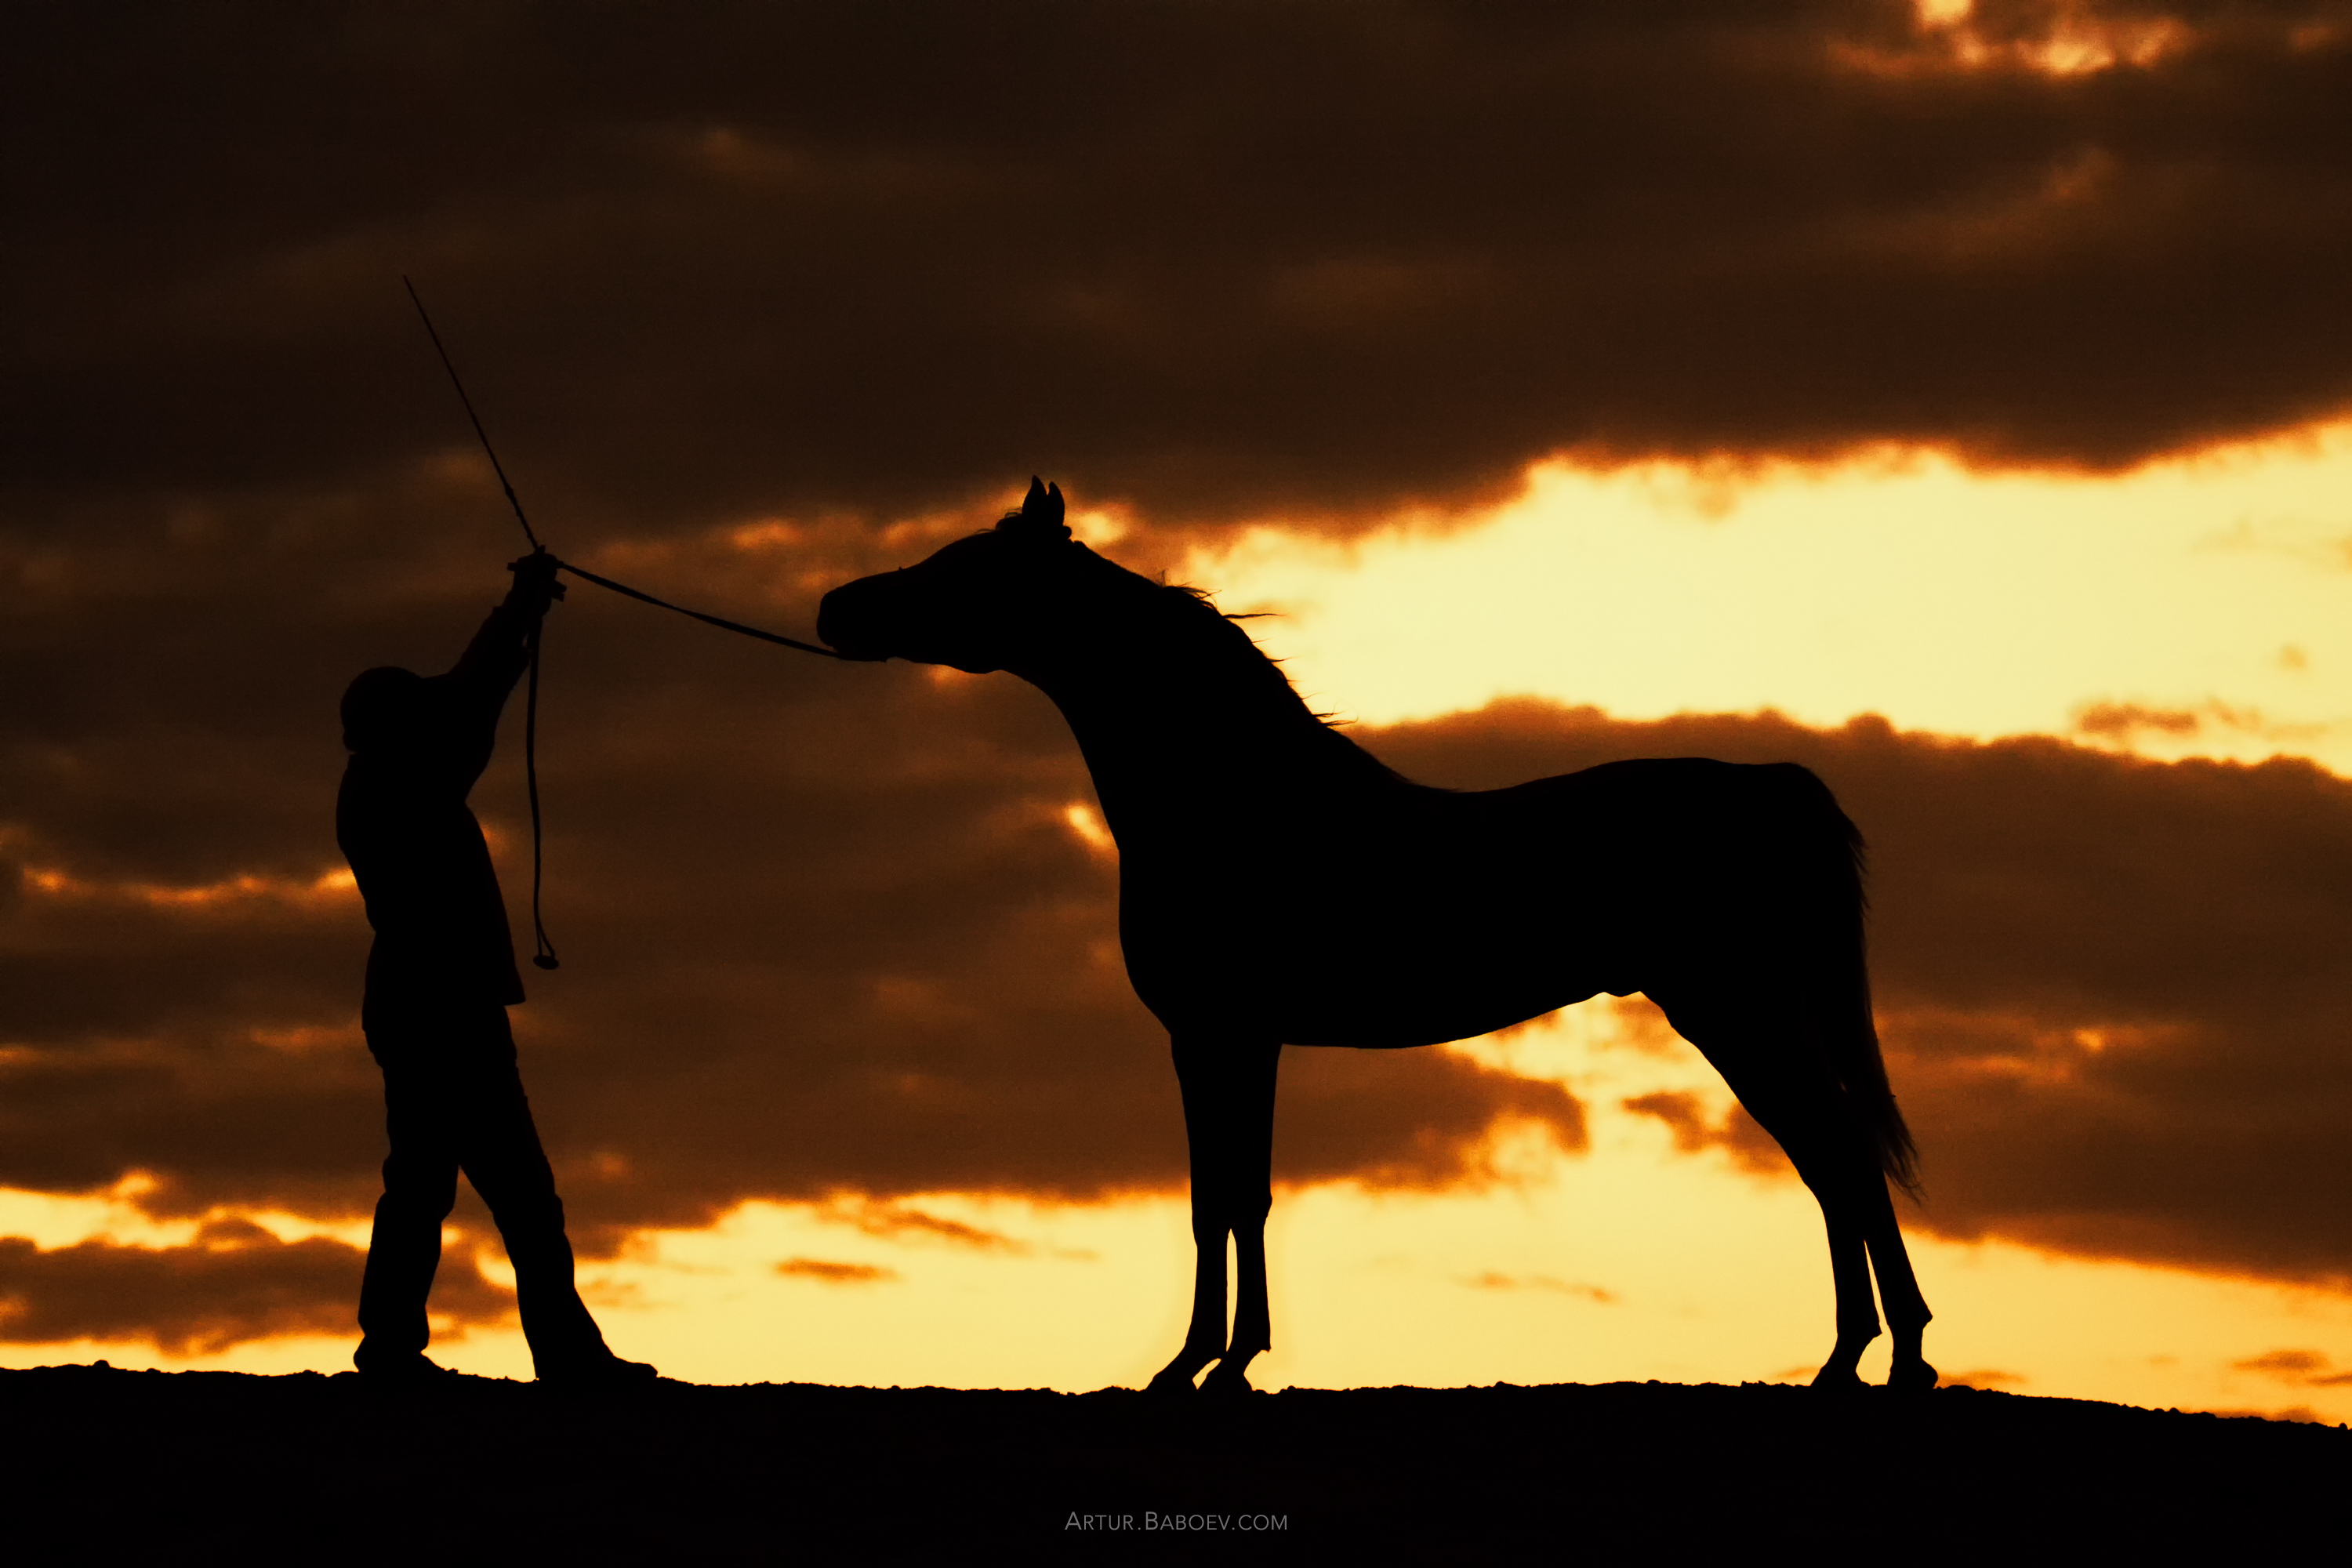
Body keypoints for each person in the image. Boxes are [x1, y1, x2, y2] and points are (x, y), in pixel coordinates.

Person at [337, 550, 655, 1385]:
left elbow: (461, 697)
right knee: (501, 1192)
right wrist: (520, 607)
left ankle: (405, 1347)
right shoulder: (403, 786)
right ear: (388, 724)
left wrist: (521, 613)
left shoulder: (385, 781)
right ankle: (547, 1354)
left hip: (424, 1007)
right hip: (442, 1012)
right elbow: (466, 697)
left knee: (440, 1187)